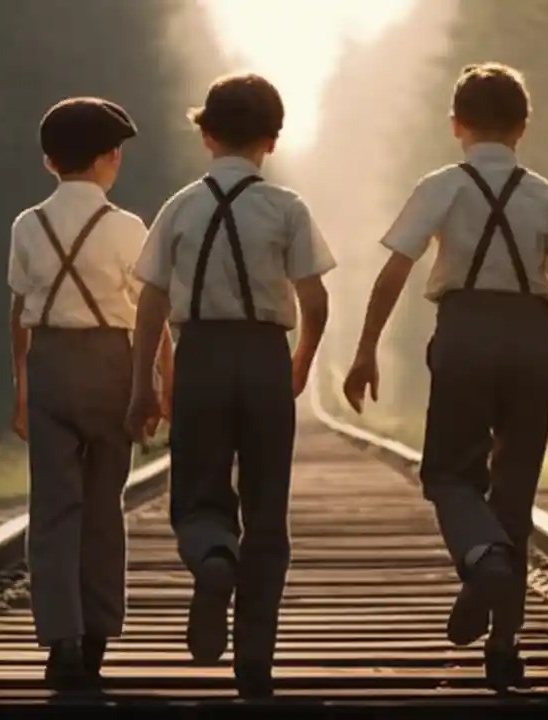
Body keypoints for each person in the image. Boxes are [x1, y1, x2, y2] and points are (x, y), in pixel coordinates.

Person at [342, 62, 548, 692]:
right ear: (523, 128)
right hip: (532, 337)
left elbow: (395, 269)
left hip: (465, 331)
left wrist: (366, 347)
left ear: (455, 125)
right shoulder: (547, 195)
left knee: (449, 472)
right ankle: (504, 649)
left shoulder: (441, 185)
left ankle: (482, 559)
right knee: (515, 494)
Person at [124, 73, 335, 700]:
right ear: (272, 139)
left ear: (206, 134)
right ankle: (254, 664)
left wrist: (145, 383)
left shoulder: (180, 207)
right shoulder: (287, 207)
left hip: (202, 357)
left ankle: (213, 555)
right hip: (266, 355)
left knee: (196, 491)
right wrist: (300, 359)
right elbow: (316, 299)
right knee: (268, 510)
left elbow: (151, 304)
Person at [8, 96, 170, 689]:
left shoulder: (28, 224)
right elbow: (150, 310)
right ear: (111, 159)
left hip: (51, 362)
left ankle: (62, 638)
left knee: (53, 509)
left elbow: (19, 312)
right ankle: (100, 630)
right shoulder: (128, 228)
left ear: (50, 161)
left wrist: (21, 388)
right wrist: (157, 382)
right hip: (113, 363)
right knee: (105, 504)